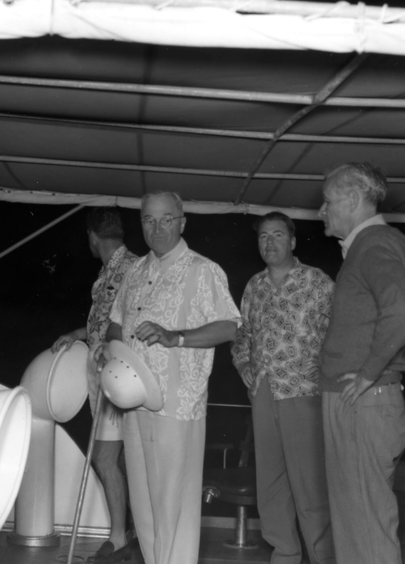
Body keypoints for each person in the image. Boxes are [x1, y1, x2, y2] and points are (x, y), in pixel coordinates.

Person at [105, 190, 241, 564]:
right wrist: (111, 353)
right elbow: (116, 324)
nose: (157, 227)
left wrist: (175, 337)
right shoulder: (136, 270)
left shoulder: (203, 270)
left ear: (183, 222)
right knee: (144, 505)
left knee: (173, 507)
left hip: (177, 406)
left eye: (166, 219)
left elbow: (229, 327)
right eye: (149, 220)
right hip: (134, 404)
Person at [317, 162, 405, 564]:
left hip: (361, 406)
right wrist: (389, 360)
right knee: (359, 533)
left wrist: (374, 369)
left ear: (353, 200)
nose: (322, 211)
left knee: (364, 537)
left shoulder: (373, 243)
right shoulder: (383, 244)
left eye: (328, 201)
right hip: (369, 405)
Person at [231, 211, 335, 564]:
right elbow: (242, 334)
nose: (269, 242)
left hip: (303, 392)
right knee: (271, 484)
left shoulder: (317, 282)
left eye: (277, 235)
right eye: (263, 236)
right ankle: (285, 553)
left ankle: (322, 556)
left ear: (292, 241)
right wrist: (243, 362)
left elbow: (340, 333)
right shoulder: (254, 286)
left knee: (309, 484)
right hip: (263, 392)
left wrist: (325, 370)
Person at [52, 207, 139, 563]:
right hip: (106, 374)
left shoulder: (131, 268)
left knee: (105, 458)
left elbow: (128, 326)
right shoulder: (110, 271)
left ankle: (121, 537)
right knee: (111, 459)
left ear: (92, 235)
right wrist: (76, 335)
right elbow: (103, 324)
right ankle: (124, 534)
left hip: (118, 378)